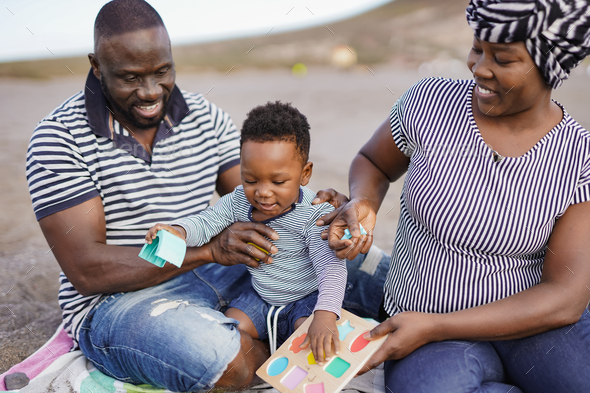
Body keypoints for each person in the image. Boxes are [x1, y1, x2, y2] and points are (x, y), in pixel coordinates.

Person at [25, 0, 389, 391]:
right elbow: (89, 270)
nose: (150, 91)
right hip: (122, 299)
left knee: (362, 263)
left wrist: (315, 203)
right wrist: (206, 251)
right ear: (97, 66)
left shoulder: (204, 116)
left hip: (224, 266)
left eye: (162, 72)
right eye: (130, 78)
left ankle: (390, 331)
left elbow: (263, 192)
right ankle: (287, 345)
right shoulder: (59, 139)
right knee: (217, 358)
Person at [321, 0, 590, 392]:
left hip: (528, 325)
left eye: (503, 58)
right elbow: (372, 161)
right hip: (421, 323)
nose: (479, 67)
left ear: (548, 67)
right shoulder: (429, 103)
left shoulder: (577, 156)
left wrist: (436, 325)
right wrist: (364, 201)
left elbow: (564, 297)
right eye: (478, 48)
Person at [147, 101, 345, 363]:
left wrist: (326, 314)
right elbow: (208, 222)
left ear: (304, 174)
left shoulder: (314, 215)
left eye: (278, 181)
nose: (262, 192)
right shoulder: (239, 201)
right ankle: (263, 355)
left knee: (312, 341)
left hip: (305, 299)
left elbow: (331, 268)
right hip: (261, 296)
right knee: (230, 333)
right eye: (250, 179)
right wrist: (178, 231)